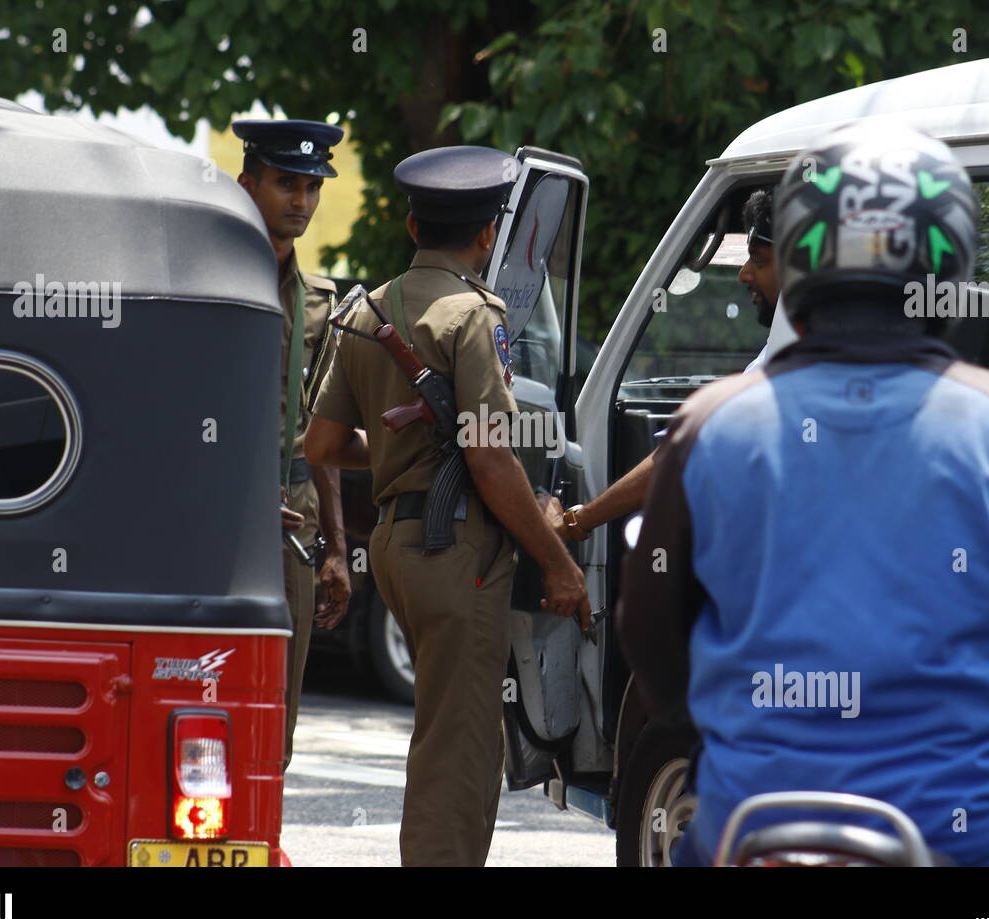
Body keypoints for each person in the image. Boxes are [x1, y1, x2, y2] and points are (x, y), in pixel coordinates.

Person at [619, 120, 989, 867]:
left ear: (801, 263)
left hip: (751, 831)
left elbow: (651, 640)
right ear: (947, 266)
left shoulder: (708, 426)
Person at [305, 145, 591, 866]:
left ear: (410, 224)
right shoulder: (473, 314)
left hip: (400, 554)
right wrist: (559, 563)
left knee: (445, 731)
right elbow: (492, 459)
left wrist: (410, 453)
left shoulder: (366, 310)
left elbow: (324, 441)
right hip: (455, 551)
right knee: (459, 749)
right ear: (488, 235)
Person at [547, 189, 777, 544]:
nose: (744, 274)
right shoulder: (790, 350)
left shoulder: (789, 365)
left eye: (759, 260)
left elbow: (680, 455)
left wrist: (578, 521)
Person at [234, 119, 352, 771]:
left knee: (279, 720)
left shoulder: (320, 304)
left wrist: (338, 549)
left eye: (311, 187)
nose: (300, 201)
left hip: (295, 520)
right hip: (215, 522)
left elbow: (323, 433)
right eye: (285, 184)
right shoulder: (205, 279)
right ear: (247, 184)